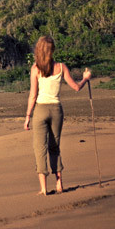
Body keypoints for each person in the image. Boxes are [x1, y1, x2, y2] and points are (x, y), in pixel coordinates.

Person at [23, 35, 91, 195]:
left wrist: (27, 116)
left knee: (40, 148)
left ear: (38, 50)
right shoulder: (61, 67)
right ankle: (59, 185)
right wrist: (85, 79)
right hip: (56, 111)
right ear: (52, 50)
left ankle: (43, 188)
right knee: (55, 147)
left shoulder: (35, 69)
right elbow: (76, 87)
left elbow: (33, 95)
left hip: (40, 110)